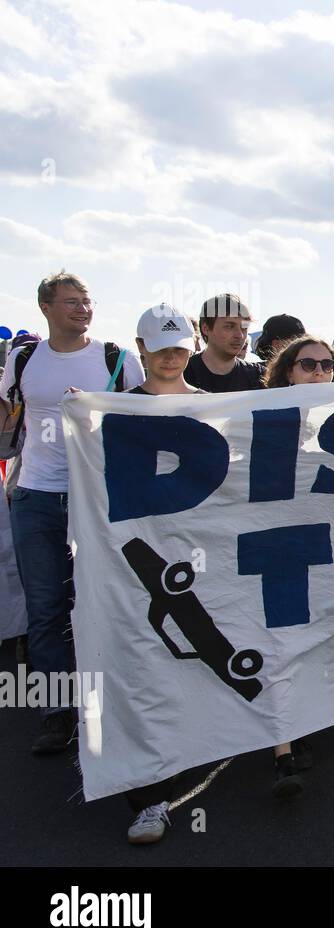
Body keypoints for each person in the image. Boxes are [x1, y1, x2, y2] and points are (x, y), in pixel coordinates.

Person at [0, 272, 144, 755]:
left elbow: (142, 424)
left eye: (87, 301)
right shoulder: (23, 358)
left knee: (103, 603)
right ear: (45, 307)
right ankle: (56, 712)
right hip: (36, 497)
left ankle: (110, 702)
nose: (82, 310)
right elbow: (9, 417)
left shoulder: (117, 359)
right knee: (45, 608)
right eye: (72, 302)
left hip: (97, 499)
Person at [120, 304, 206, 844]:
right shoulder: (114, 410)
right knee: (144, 666)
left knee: (194, 665)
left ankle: (190, 760)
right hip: (135, 560)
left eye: (181, 349)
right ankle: (149, 795)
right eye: (163, 348)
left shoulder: (216, 406)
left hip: (200, 555)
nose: (173, 358)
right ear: (142, 348)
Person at [260, 336, 334, 789]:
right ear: (287, 371)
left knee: (323, 641)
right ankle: (284, 752)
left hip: (330, 552)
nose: (318, 372)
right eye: (307, 364)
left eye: (326, 365)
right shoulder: (259, 418)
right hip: (280, 552)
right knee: (281, 645)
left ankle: (313, 724)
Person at [185, 294, 264, 393]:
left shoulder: (259, 377)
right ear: (206, 328)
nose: (240, 335)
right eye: (229, 326)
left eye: (244, 328)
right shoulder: (182, 374)